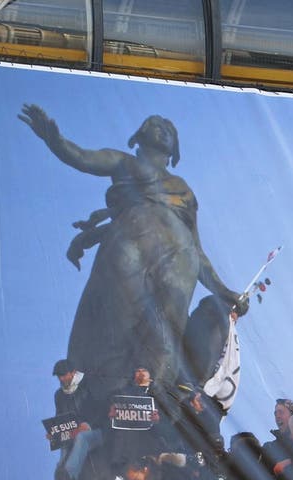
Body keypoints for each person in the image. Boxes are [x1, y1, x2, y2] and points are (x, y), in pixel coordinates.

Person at [19, 105, 241, 391]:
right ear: (138, 138)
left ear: (175, 149)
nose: (161, 126)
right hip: (130, 242)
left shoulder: (184, 189)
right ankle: (109, 395)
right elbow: (82, 157)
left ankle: (158, 398)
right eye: (155, 123)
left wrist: (224, 291)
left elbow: (197, 250)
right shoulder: (123, 162)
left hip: (180, 260)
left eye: (168, 128)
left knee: (168, 333)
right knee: (117, 325)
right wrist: (55, 140)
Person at [177, 292, 249, 459]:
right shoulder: (213, 317)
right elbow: (204, 353)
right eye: (236, 310)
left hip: (201, 392)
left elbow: (224, 365)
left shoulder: (225, 328)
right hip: (192, 385)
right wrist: (196, 387)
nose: (235, 316)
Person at [51, 358, 109, 480]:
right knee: (63, 453)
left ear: (73, 372)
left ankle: (70, 477)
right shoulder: (59, 395)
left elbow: (103, 409)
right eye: (59, 376)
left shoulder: (90, 384)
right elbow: (59, 419)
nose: (61, 379)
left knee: (82, 438)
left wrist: (89, 424)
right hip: (71, 435)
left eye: (64, 375)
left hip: (97, 432)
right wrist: (54, 432)